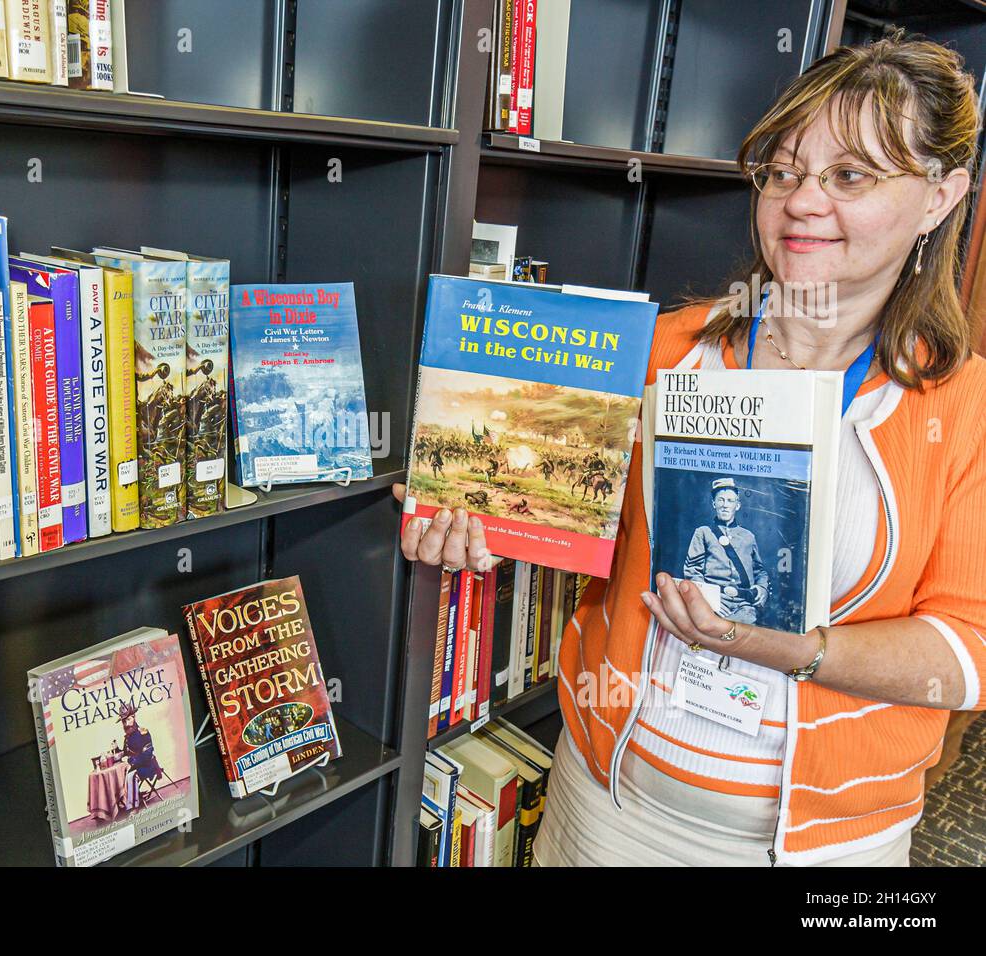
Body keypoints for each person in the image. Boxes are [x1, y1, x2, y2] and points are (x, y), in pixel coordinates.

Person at [395, 34, 986, 866]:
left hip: (826, 848)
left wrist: (799, 652)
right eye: (782, 171)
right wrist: (475, 515)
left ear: (938, 197)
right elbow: (583, 532)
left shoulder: (964, 407)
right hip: (607, 804)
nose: (802, 202)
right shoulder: (663, 352)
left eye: (850, 175)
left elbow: (968, 654)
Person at [682, 477, 769, 624]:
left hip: (744, 605)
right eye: (721, 500)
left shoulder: (748, 536)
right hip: (714, 603)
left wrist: (762, 588)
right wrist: (710, 600)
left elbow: (760, 571)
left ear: (738, 505)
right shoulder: (703, 532)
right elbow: (692, 571)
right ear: (713, 504)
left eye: (730, 501)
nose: (725, 505)